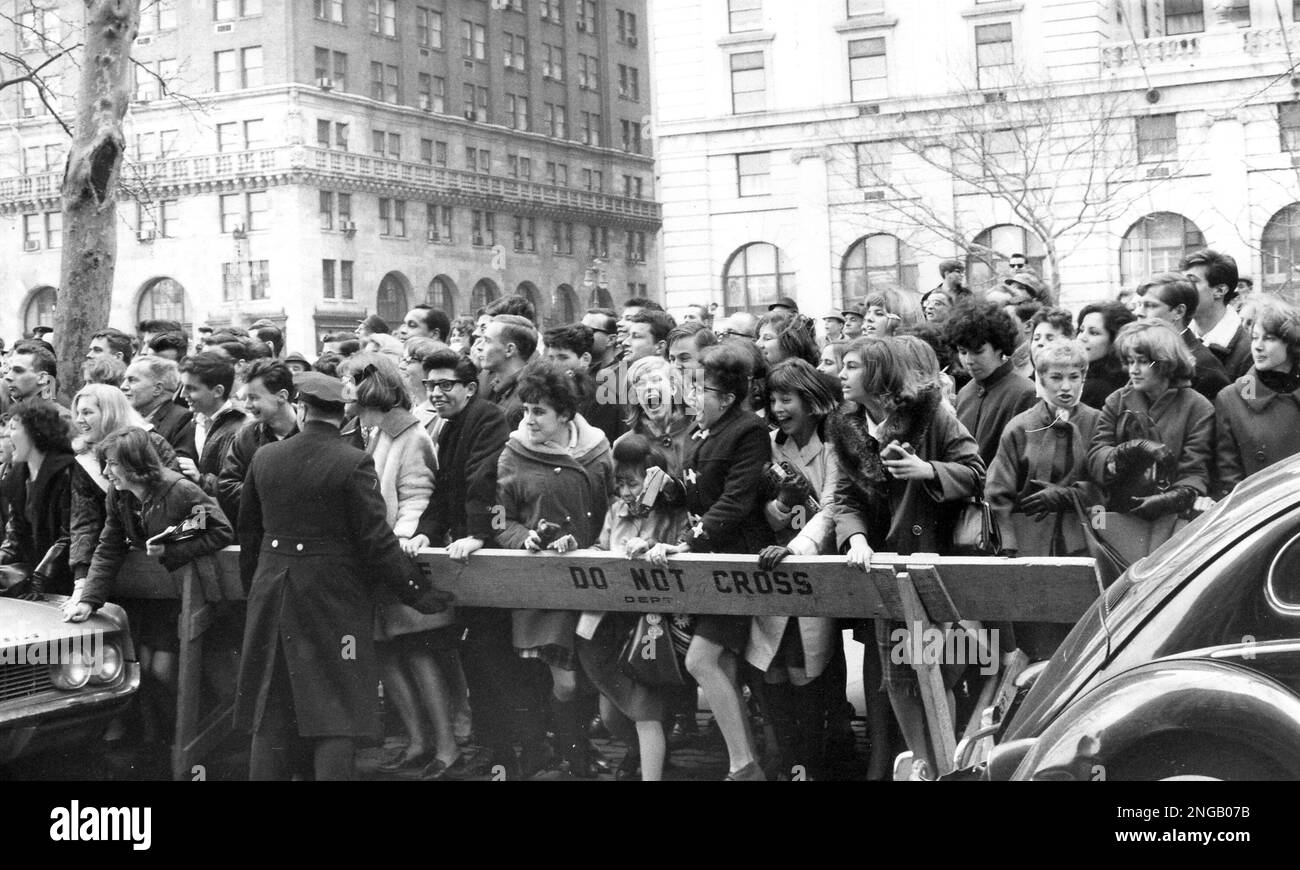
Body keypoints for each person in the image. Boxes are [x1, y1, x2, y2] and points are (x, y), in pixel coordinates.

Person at [234, 371, 446, 781]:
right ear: (342, 416)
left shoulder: (265, 457)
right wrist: (420, 594)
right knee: (336, 706)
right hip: (332, 597)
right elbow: (377, 543)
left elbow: (249, 535)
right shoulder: (353, 462)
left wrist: (255, 591)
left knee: (272, 703)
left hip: (272, 591)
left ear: (301, 408)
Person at [825, 337, 984, 777]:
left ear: (877, 375)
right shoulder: (846, 426)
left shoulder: (932, 414)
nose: (841, 373)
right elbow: (844, 499)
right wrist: (855, 540)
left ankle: (943, 762)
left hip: (933, 561)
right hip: (884, 567)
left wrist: (928, 470)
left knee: (936, 672)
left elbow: (975, 472)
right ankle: (922, 763)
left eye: (852, 366)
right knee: (896, 677)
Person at [646, 342, 773, 781]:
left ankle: (743, 763)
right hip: (712, 563)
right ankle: (744, 760)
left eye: (701, 389)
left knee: (701, 661)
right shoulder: (706, 433)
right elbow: (697, 492)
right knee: (720, 665)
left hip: (735, 565)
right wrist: (669, 488)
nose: (691, 397)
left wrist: (689, 543)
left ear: (729, 397)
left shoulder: (749, 431)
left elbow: (736, 502)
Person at [63, 428, 234, 744]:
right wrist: (88, 599)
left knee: (164, 668)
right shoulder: (120, 495)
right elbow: (109, 545)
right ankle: (164, 739)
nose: (105, 473)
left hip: (188, 596)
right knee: (144, 666)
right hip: (157, 598)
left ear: (133, 464)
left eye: (112, 464)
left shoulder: (178, 489)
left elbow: (218, 527)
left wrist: (171, 543)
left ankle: (192, 735)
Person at [409, 349, 535, 777]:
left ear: (468, 387)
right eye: (430, 386)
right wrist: (427, 529)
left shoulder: (486, 418)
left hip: (485, 549)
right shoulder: (450, 427)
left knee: (491, 655)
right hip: (466, 550)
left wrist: (477, 533)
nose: (437, 393)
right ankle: (494, 747)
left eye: (446, 385)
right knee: (476, 653)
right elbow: (444, 489)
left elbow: (484, 478)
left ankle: (509, 754)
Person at [492, 360, 613, 777]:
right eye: (526, 409)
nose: (529, 419)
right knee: (565, 681)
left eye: (539, 411)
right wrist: (522, 538)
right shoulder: (513, 452)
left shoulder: (599, 450)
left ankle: (578, 753)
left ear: (565, 414)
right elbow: (499, 517)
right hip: (543, 587)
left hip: (592, 579)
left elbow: (613, 508)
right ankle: (573, 756)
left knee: (593, 674)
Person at [348, 354, 463, 781]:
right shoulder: (376, 432)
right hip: (379, 560)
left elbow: (418, 494)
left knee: (418, 653)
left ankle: (446, 747)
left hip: (399, 559)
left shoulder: (409, 435)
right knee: (388, 655)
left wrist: (397, 543)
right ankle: (418, 741)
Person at [748, 359, 842, 780]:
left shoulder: (834, 445)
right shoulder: (770, 445)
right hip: (773, 567)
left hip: (812, 569)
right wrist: (785, 501)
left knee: (809, 668)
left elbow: (834, 508)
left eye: (788, 398)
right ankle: (787, 763)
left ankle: (810, 764)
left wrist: (799, 547)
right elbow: (768, 516)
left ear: (810, 400)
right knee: (773, 668)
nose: (779, 407)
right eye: (773, 399)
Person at [577, 435, 688, 781]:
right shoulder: (615, 511)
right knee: (611, 717)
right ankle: (646, 756)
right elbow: (599, 548)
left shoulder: (673, 514)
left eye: (633, 483)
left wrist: (660, 546)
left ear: (654, 480)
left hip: (650, 628)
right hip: (608, 625)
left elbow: (687, 546)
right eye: (620, 483)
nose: (625, 492)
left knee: (646, 713)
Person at [986, 341, 1101, 659]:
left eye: (1074, 377)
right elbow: (997, 495)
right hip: (1031, 548)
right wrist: (1009, 548)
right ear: (1040, 377)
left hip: (1083, 545)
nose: (1066, 386)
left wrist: (1072, 495)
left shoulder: (1097, 422)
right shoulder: (1020, 427)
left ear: (1084, 378)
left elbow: (1107, 485)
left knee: (1082, 640)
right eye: (1056, 377)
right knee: (1037, 641)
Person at [1087, 321, 1214, 520]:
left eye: (1143, 362)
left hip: (1172, 517)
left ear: (1165, 361)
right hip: (1119, 512)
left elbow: (1195, 469)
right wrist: (1124, 451)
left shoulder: (1197, 407)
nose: (1133, 370)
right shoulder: (1117, 400)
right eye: (1129, 361)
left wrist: (1174, 499)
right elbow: (1096, 455)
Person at [1214, 297, 1300, 497]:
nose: (1258, 346)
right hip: (1263, 512)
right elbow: (1230, 478)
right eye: (1254, 337)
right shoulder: (1233, 398)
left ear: (1292, 344)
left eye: (1269, 338)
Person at [0, 399, 76, 597]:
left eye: (14, 427)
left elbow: (68, 536)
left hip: (65, 582)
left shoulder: (68, 472)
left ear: (34, 432)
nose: (7, 433)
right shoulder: (17, 476)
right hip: (36, 579)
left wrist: (40, 578)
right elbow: (15, 534)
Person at [947, 302, 1038, 465]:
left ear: (999, 347)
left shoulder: (1025, 392)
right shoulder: (965, 393)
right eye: (963, 352)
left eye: (978, 352)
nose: (969, 361)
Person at [217, 359, 299, 527]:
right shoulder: (246, 435)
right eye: (246, 398)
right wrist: (273, 495)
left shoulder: (312, 431)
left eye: (253, 398)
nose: (247, 406)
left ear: (282, 396)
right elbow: (226, 486)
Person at [1135, 272, 1232, 403]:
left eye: (1150, 305)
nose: (1139, 313)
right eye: (1139, 305)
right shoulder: (1144, 354)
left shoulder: (1203, 367)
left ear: (1179, 312)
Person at [177, 352, 246, 498]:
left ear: (218, 391)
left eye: (191, 388)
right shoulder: (194, 419)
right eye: (182, 387)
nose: (182, 395)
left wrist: (201, 479)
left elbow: (241, 488)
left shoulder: (243, 428)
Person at [617, 355, 693, 476]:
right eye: (640, 383)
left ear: (673, 387)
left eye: (656, 380)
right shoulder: (624, 445)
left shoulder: (697, 434)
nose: (648, 387)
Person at [1182, 249, 1251, 380]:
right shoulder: (1176, 337)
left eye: (1191, 282)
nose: (1181, 289)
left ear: (1219, 290)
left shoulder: (1246, 351)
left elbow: (1248, 399)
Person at [121, 357, 195, 461]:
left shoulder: (183, 420)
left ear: (157, 389)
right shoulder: (124, 416)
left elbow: (176, 466)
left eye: (132, 380)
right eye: (124, 380)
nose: (123, 386)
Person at [477, 314, 537, 429]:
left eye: (487, 341)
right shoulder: (490, 383)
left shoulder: (525, 398)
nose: (479, 347)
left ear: (509, 350)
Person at [1076, 301, 1138, 409]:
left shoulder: (1095, 389)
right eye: (1081, 330)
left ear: (1114, 341)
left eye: (1094, 333)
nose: (1082, 337)